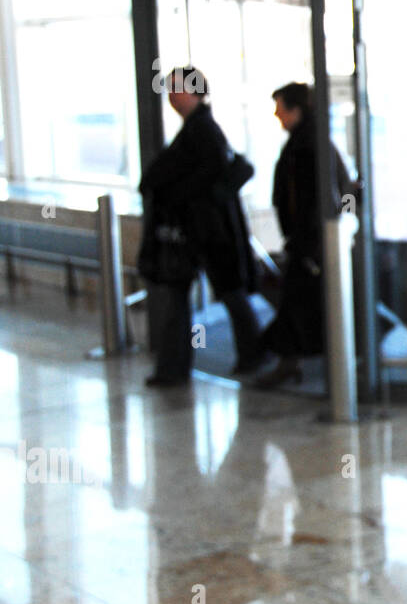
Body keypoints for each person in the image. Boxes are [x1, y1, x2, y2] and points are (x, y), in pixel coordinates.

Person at [138, 66, 262, 386]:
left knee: (219, 293)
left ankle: (179, 366)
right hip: (202, 229)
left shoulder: (202, 130)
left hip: (204, 230)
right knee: (215, 293)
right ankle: (180, 364)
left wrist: (176, 196)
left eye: (177, 89)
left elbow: (204, 178)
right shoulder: (197, 129)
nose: (171, 96)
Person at [257, 82, 357, 388]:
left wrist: (311, 236)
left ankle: (293, 364)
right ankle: (297, 363)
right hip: (311, 239)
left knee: (299, 302)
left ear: (297, 110)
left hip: (310, 241)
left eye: (281, 109)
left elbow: (327, 194)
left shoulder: (307, 145)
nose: (277, 115)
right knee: (302, 303)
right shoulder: (309, 142)